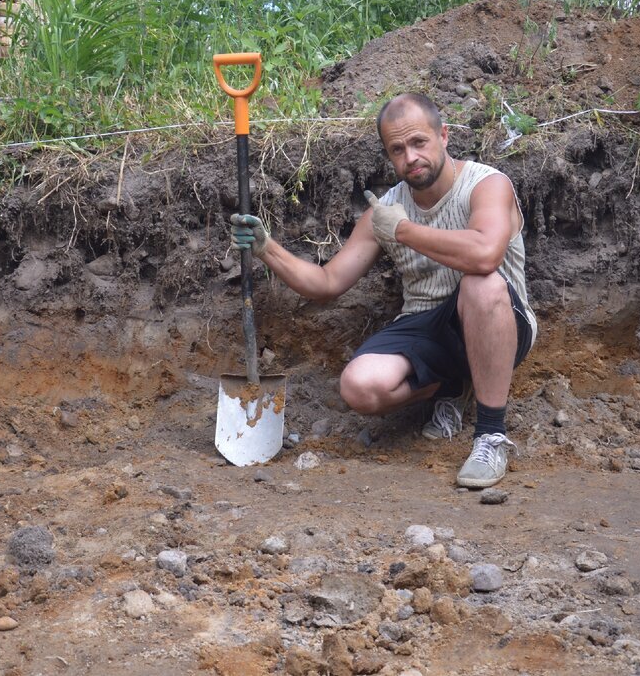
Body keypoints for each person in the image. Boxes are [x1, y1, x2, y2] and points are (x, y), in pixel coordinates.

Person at [230, 93, 537, 487]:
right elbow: (327, 283)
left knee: (480, 283)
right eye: (397, 149)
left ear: (443, 136)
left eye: (419, 142)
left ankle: (490, 435)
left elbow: (484, 256)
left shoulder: (486, 185)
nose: (410, 157)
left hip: (499, 319)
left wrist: (404, 231)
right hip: (426, 327)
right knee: (359, 387)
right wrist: (266, 248)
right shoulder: (387, 209)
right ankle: (453, 386)